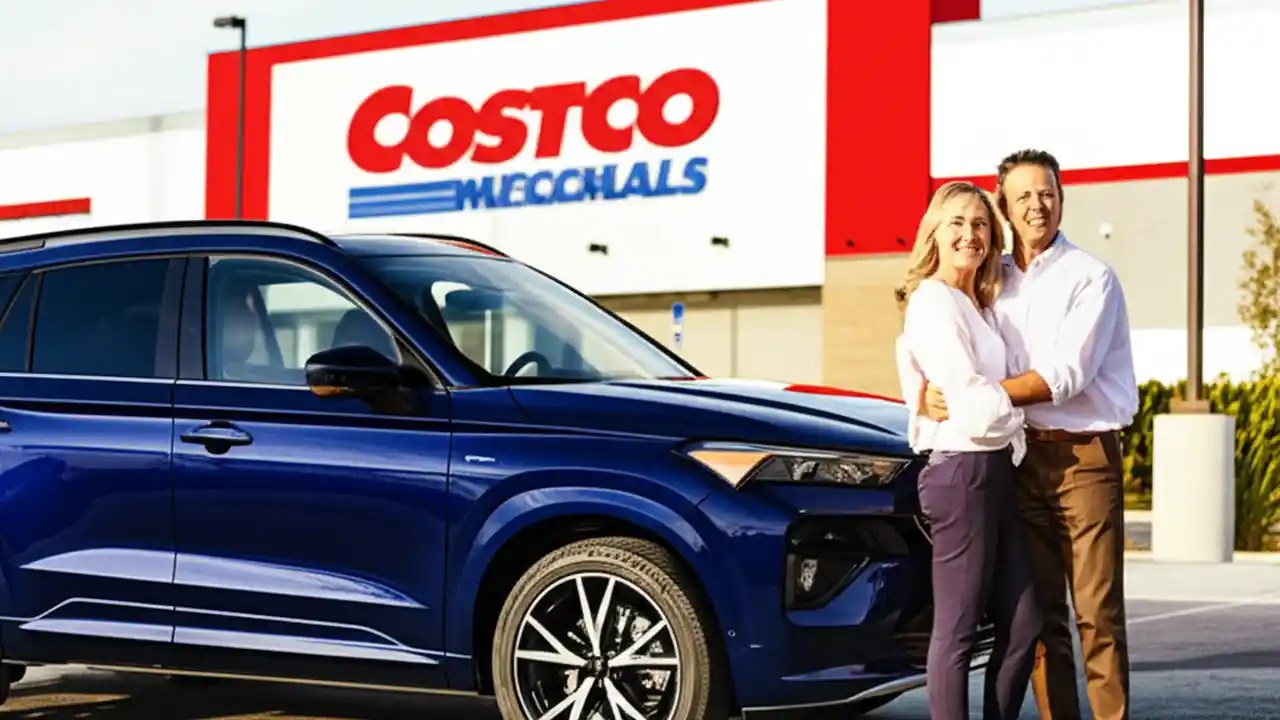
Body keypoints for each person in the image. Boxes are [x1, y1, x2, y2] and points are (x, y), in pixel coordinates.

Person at [923, 149, 1139, 720]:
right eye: (1022, 196)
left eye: (1046, 193)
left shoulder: (1091, 277)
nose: (1036, 206)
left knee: (1096, 614)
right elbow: (947, 350)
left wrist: (975, 394)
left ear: (1061, 198)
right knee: (1042, 621)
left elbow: (1067, 375)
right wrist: (929, 393)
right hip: (1017, 458)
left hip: (1083, 459)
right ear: (1004, 206)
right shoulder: (992, 282)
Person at [895, 180, 1042, 720]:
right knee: (956, 629)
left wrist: (988, 407)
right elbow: (968, 398)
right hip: (963, 472)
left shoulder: (975, 305)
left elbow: (971, 395)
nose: (970, 234)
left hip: (996, 468)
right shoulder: (933, 301)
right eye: (956, 222)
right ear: (934, 230)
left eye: (980, 224)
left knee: (1025, 621)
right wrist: (1013, 410)